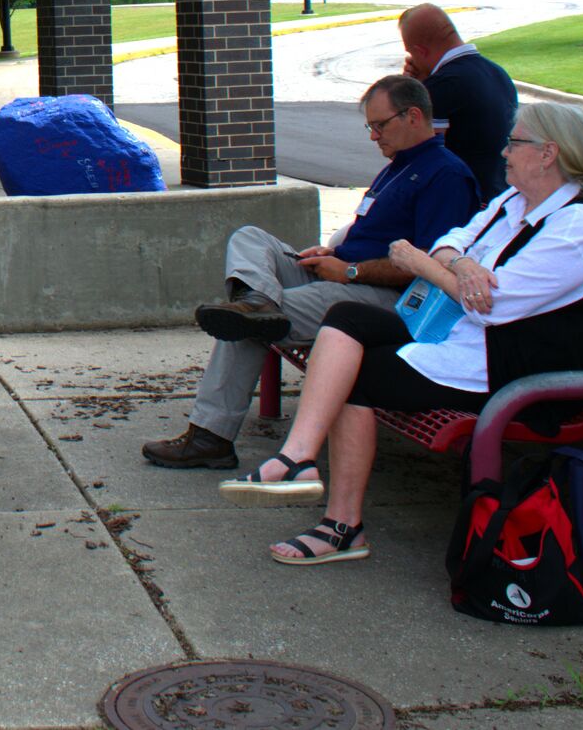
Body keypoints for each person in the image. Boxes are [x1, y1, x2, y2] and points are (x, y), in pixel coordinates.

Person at [218, 102, 583, 566]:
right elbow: (453, 239)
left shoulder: (576, 230)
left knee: (357, 375)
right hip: (461, 342)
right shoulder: (514, 202)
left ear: (547, 154)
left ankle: (341, 527)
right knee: (347, 318)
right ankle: (299, 456)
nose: (504, 151)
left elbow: (493, 307)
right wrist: (461, 264)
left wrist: (421, 263)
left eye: (515, 142)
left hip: (515, 371)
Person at [142, 75, 478, 470]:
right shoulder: (398, 167)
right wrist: (334, 252)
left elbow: (425, 269)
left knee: (246, 323)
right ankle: (258, 301)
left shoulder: (445, 175)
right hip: (342, 272)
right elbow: (374, 234)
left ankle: (211, 436)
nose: (373, 136)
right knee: (251, 239)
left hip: (383, 300)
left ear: (414, 116)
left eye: (380, 125)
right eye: (370, 127)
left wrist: (349, 270)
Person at [400, 2, 517, 205]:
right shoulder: (498, 73)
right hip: (500, 195)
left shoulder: (443, 85)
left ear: (420, 51)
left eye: (411, 52)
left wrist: (413, 92)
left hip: (463, 203)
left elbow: (418, 155)